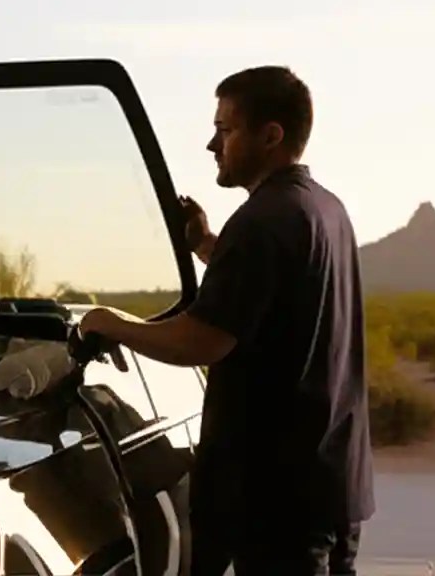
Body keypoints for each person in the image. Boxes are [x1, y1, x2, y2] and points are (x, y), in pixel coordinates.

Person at [78, 65, 374, 576]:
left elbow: (200, 342)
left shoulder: (261, 220)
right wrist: (205, 245)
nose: (212, 145)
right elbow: (273, 292)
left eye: (225, 130)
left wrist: (109, 323)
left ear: (271, 136)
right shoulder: (324, 209)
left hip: (277, 501)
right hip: (332, 484)